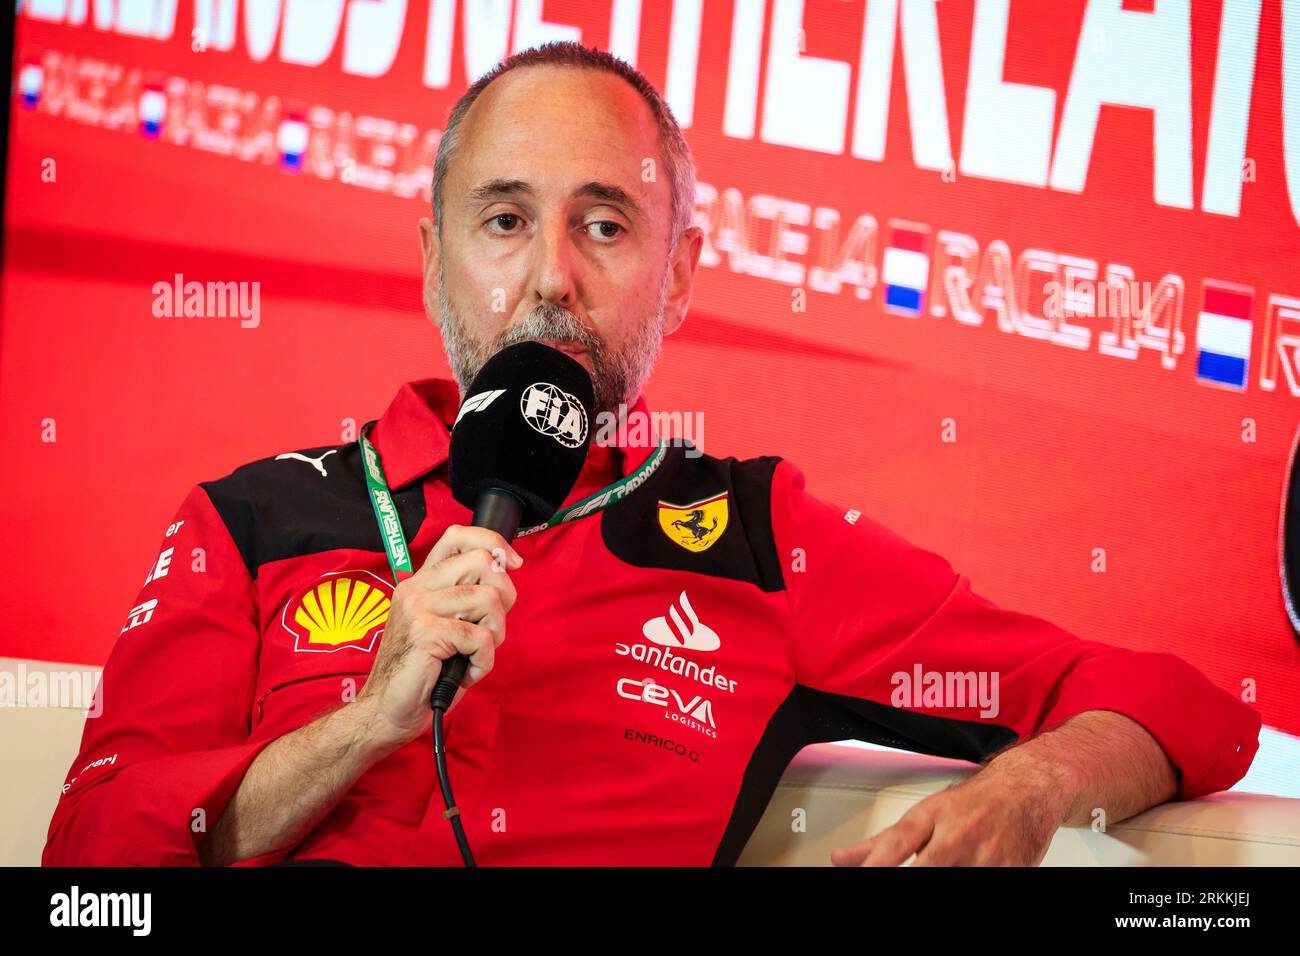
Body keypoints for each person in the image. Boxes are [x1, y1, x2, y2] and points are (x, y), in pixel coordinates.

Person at [44, 41, 1259, 868]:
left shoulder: (756, 535)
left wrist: (1037, 786)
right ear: (432, 260)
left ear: (675, 278)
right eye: (506, 219)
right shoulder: (249, 517)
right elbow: (90, 862)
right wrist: (361, 723)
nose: (550, 279)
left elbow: (1181, 707)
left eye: (606, 225)